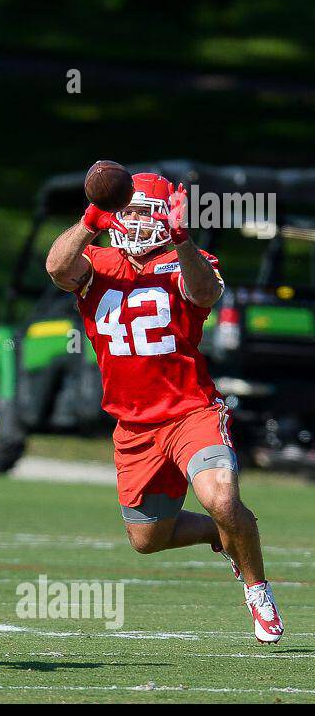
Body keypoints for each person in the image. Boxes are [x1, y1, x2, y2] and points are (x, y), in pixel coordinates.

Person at [45, 170, 283, 644]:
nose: (133, 222)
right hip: (133, 425)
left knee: (221, 498)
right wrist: (93, 215)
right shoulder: (96, 261)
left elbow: (206, 292)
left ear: (167, 218)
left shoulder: (188, 260)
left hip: (191, 412)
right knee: (147, 540)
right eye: (127, 212)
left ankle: (256, 588)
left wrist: (181, 240)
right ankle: (221, 535)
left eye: (143, 213)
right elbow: (56, 267)